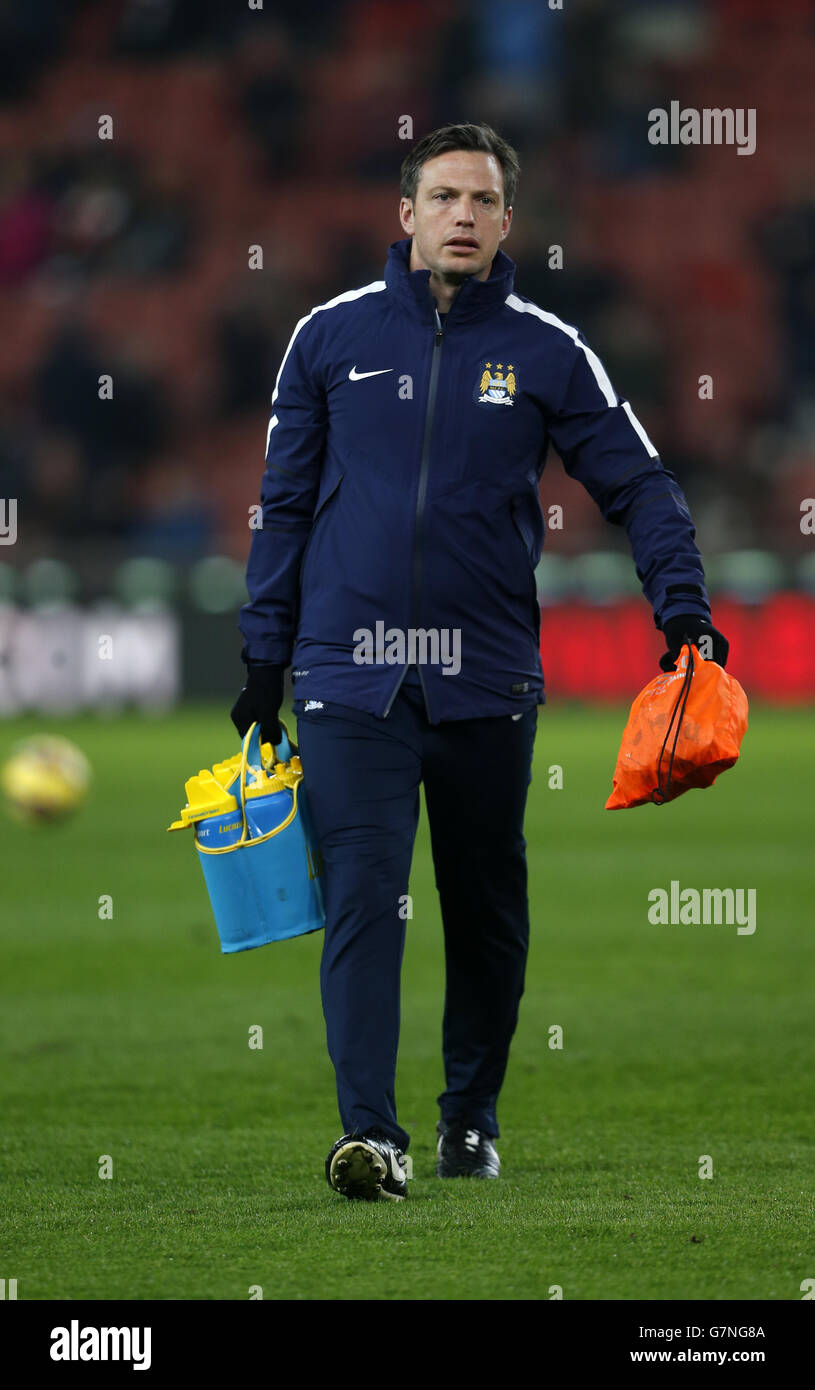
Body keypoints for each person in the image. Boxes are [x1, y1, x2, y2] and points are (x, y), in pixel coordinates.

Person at [231, 122, 728, 1202]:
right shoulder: (324, 338)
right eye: (442, 195)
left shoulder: (549, 349)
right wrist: (264, 659)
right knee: (364, 893)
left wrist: (681, 614)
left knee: (483, 903)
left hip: (483, 676)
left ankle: (469, 1118)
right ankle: (372, 1134)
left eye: (481, 200)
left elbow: (641, 487)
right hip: (345, 675)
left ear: (508, 222)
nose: (461, 214)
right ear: (403, 212)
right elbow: (280, 510)